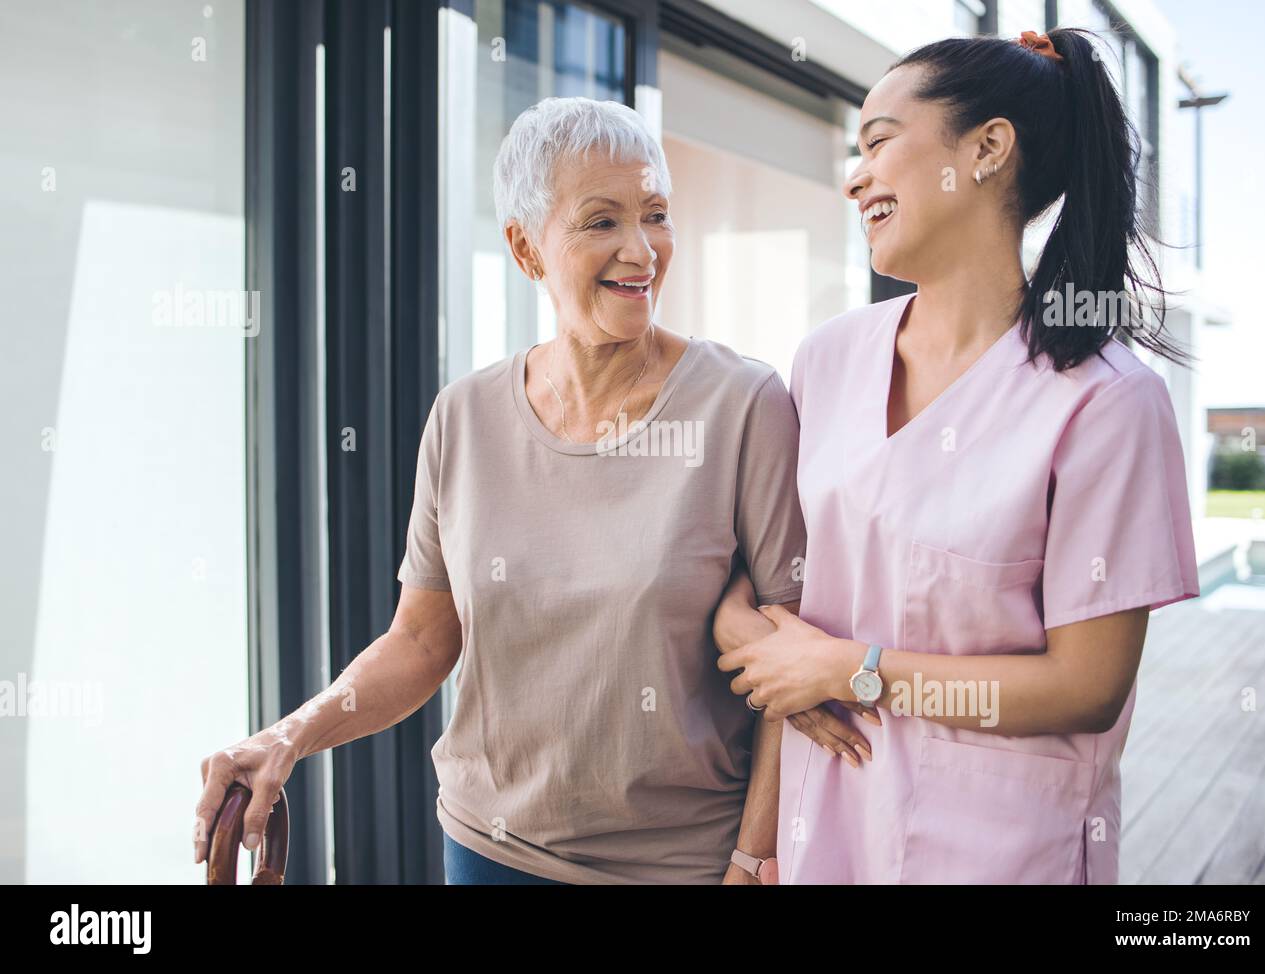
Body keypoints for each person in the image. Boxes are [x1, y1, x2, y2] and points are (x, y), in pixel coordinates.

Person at [195, 96, 836, 885]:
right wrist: (289, 735)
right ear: (526, 249)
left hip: (683, 867)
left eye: (656, 214)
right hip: (486, 849)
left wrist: (751, 860)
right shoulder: (464, 416)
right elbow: (424, 641)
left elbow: (792, 665)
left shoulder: (745, 405)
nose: (641, 251)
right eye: (601, 222)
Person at [714, 29, 1199, 884]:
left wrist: (853, 672)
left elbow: (1088, 686)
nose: (855, 176)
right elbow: (764, 572)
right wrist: (739, 626)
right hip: (821, 832)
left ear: (986, 149)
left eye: (879, 141)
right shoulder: (826, 359)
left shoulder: (1107, 401)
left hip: (1002, 852)